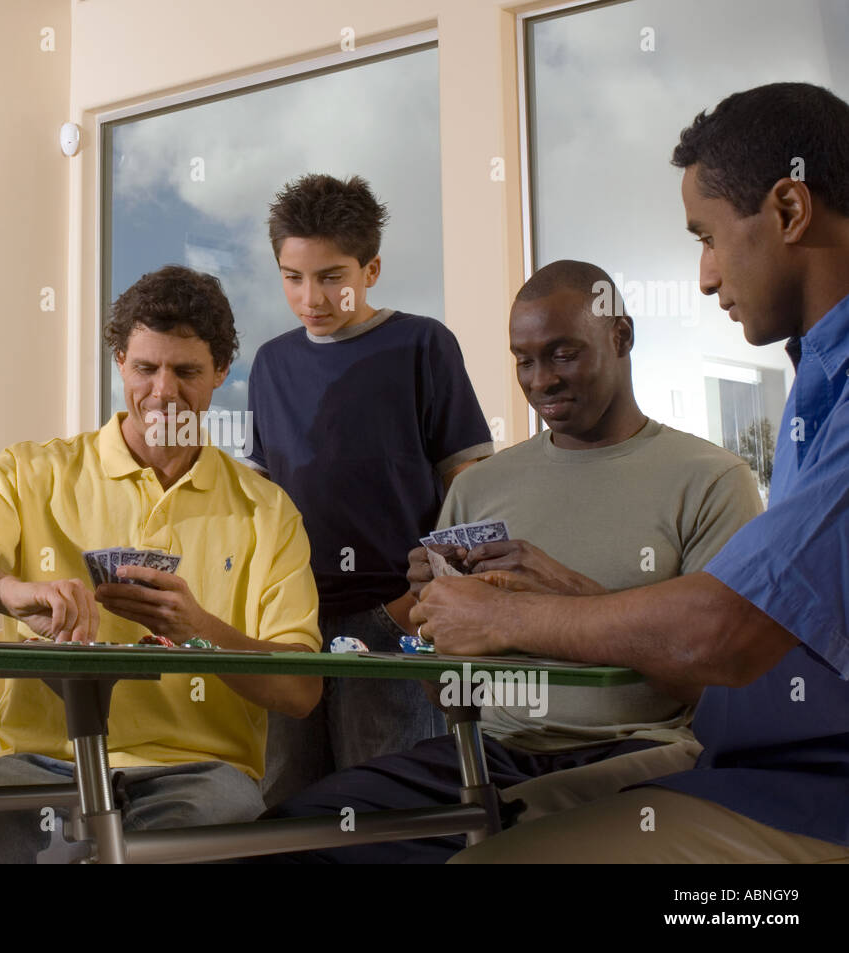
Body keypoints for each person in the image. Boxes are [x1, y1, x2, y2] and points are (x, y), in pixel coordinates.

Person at [422, 82, 849, 863]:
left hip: (814, 794)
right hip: (749, 770)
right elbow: (773, 619)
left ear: (789, 209)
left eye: (708, 238)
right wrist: (569, 596)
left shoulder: (781, 431)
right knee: (478, 822)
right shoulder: (817, 385)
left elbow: (723, 635)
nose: (707, 277)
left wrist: (506, 620)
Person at [259, 259, 764, 861]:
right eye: (524, 360)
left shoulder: (711, 482)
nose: (541, 379)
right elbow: (448, 694)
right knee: (290, 833)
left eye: (563, 354)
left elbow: (727, 687)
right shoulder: (479, 488)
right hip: (484, 752)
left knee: (488, 850)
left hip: (637, 752)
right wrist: (436, 625)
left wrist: (566, 596)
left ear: (621, 337)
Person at [0, 264, 323, 863]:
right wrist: (11, 591)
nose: (163, 393)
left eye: (186, 372)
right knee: (0, 844)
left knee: (196, 839)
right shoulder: (35, 470)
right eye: (146, 368)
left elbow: (301, 690)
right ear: (120, 362)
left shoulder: (268, 511)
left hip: (199, 773)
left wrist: (199, 629)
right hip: (39, 763)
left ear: (221, 375)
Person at [246, 174, 494, 806]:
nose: (311, 297)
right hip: (290, 627)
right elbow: (261, 500)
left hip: (393, 624)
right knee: (289, 816)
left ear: (372, 268)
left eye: (331, 276)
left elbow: (467, 493)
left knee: (390, 818)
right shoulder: (271, 364)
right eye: (292, 276)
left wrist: (407, 613)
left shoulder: (422, 345)